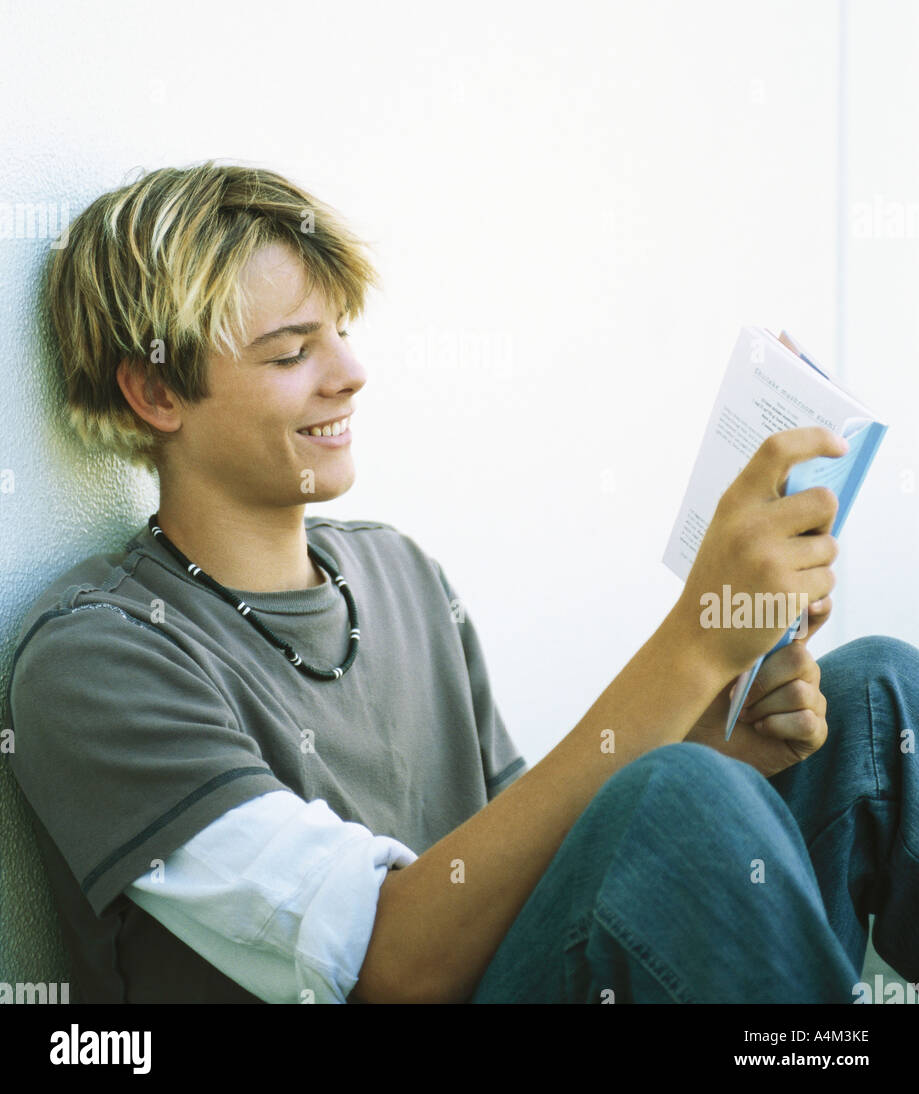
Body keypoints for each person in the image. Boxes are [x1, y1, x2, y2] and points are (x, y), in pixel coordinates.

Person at [6, 160, 919, 1005]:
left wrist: (730, 758)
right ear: (156, 393)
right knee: (677, 793)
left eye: (343, 336)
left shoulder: (399, 574)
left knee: (880, 694)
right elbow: (386, 966)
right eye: (291, 354)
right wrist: (691, 646)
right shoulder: (95, 660)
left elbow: (529, 870)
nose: (352, 374)